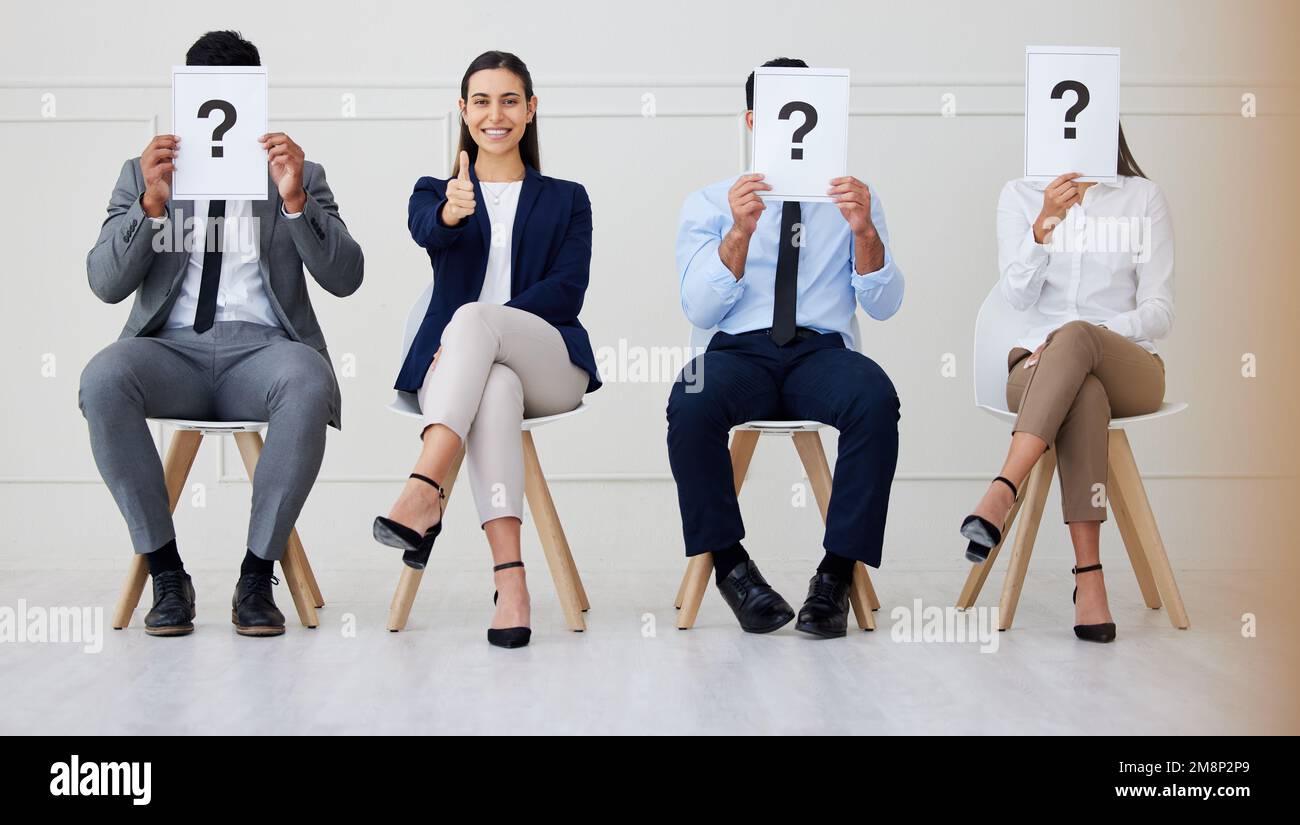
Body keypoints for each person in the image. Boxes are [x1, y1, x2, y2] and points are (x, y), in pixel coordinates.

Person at [79, 30, 364, 637]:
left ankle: (257, 577)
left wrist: (295, 201)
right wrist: (149, 208)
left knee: (308, 379)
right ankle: (166, 574)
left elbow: (347, 278)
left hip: (264, 353)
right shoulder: (143, 172)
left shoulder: (299, 173)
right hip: (169, 351)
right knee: (102, 377)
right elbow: (104, 283)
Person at [666, 58, 904, 639]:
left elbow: (884, 304)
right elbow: (699, 309)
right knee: (691, 399)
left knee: (874, 398)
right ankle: (732, 569)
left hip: (820, 356)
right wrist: (740, 231)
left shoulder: (853, 201)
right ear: (753, 121)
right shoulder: (709, 202)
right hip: (737, 355)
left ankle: (836, 574)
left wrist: (864, 232)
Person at [377, 51, 601, 650]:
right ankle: (512, 584)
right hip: (458, 376)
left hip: (551, 364)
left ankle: (424, 486)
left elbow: (567, 290)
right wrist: (452, 213)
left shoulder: (568, 198)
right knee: (495, 386)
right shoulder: (433, 192)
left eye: (509, 101)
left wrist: (479, 331)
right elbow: (427, 229)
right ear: (463, 110)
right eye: (481, 101)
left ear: (530, 109)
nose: (494, 114)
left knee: (475, 320)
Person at [961, 125, 1174, 643]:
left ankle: (1002, 488)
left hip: (1129, 367)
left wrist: (1086, 337)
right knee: (1084, 392)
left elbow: (1160, 310)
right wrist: (1044, 225)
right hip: (1037, 370)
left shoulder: (1142, 198)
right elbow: (1015, 297)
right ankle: (1090, 578)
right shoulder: (1020, 195)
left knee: (1078, 338)